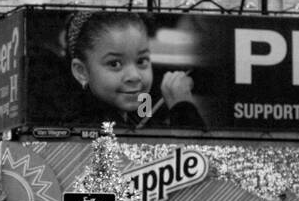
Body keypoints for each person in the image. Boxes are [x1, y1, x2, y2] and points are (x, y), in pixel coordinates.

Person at [65, 11, 207, 131]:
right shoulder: (85, 128)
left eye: (141, 61)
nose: (134, 76)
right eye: (114, 64)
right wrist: (183, 108)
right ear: (81, 71)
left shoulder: (138, 114)